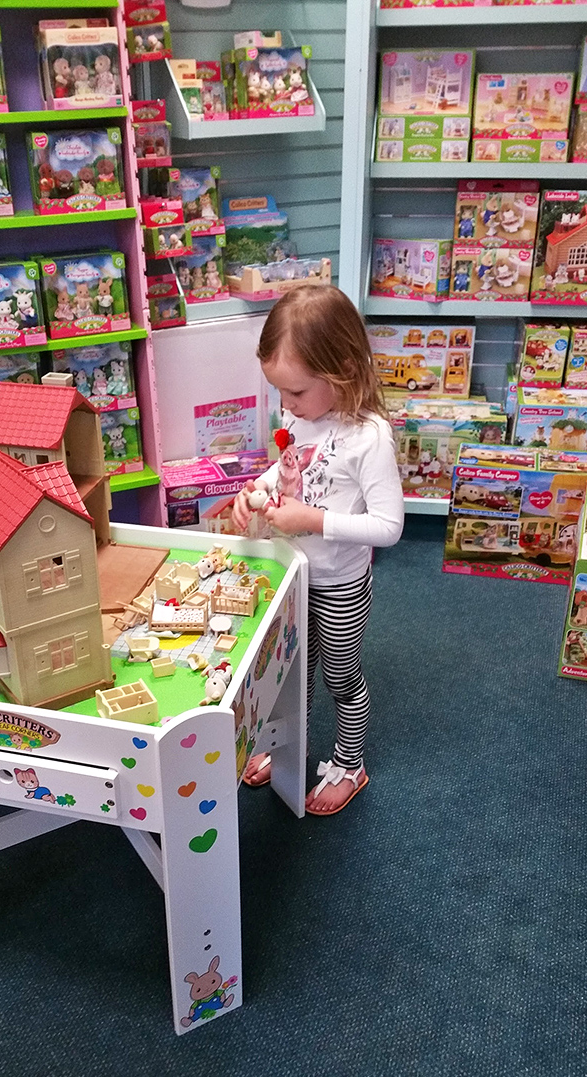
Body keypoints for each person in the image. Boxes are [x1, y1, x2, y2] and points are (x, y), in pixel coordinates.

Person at [232, 284, 404, 816]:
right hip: (294, 573)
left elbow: (389, 527)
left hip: (340, 583)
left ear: (344, 370)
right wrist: (253, 492)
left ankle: (350, 765)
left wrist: (314, 520)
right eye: (279, 392)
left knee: (339, 677)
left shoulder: (368, 437)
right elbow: (288, 470)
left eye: (297, 392)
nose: (286, 405)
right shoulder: (299, 417)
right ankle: (286, 746)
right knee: (288, 670)